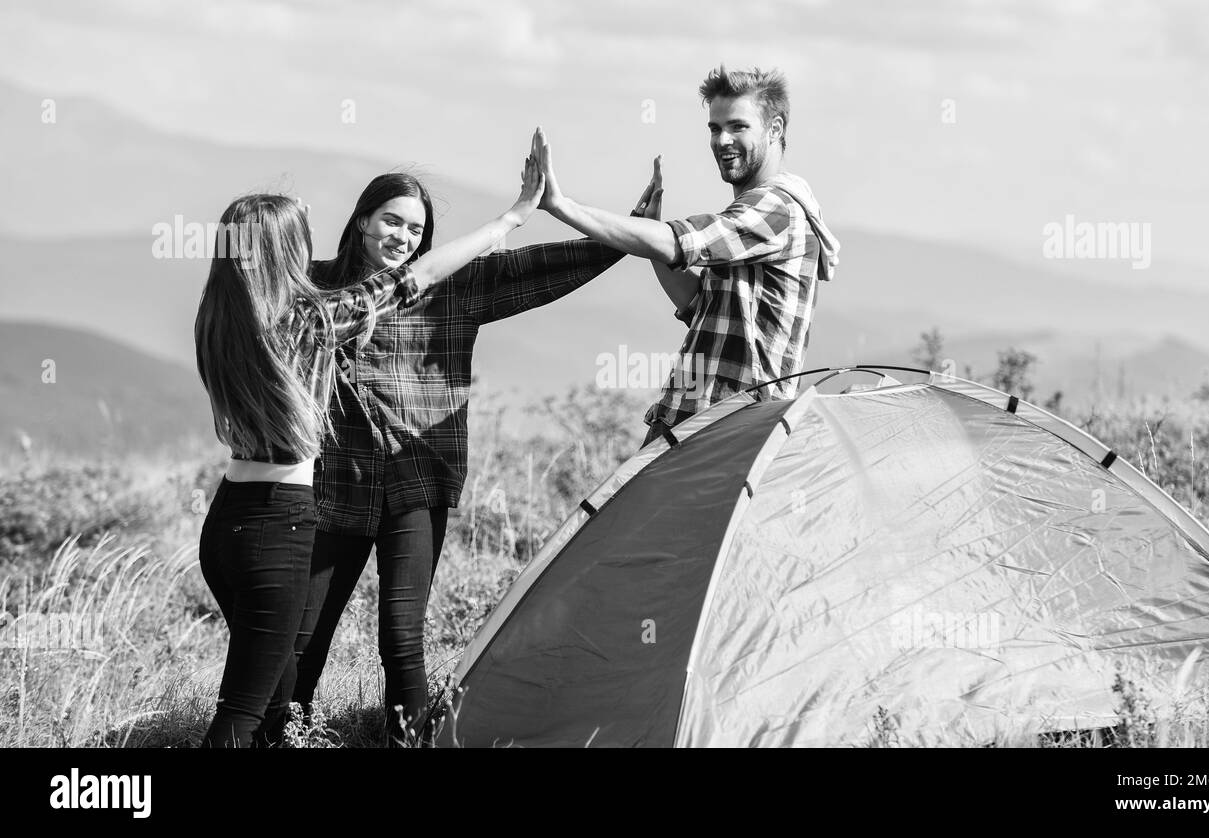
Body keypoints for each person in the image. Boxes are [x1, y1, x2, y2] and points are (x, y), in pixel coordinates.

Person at [284, 136, 633, 746]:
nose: (403, 237)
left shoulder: (456, 286)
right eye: (391, 221)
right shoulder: (317, 288)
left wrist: (631, 233)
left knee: (400, 632)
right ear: (362, 220)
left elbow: (545, 268)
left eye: (416, 231)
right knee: (305, 634)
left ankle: (412, 741)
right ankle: (284, 735)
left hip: (416, 481)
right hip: (338, 483)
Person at [193, 152, 545, 748]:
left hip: (225, 520)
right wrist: (510, 218)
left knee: (268, 686)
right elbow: (417, 279)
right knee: (244, 713)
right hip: (279, 525)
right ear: (282, 255)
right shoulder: (313, 318)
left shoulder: (217, 319)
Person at [533, 65, 841, 446]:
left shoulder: (777, 210)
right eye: (715, 128)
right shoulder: (754, 210)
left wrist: (563, 207)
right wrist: (653, 234)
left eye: (738, 126)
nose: (723, 139)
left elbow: (681, 242)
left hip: (728, 431)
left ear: (775, 129)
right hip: (694, 420)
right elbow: (698, 306)